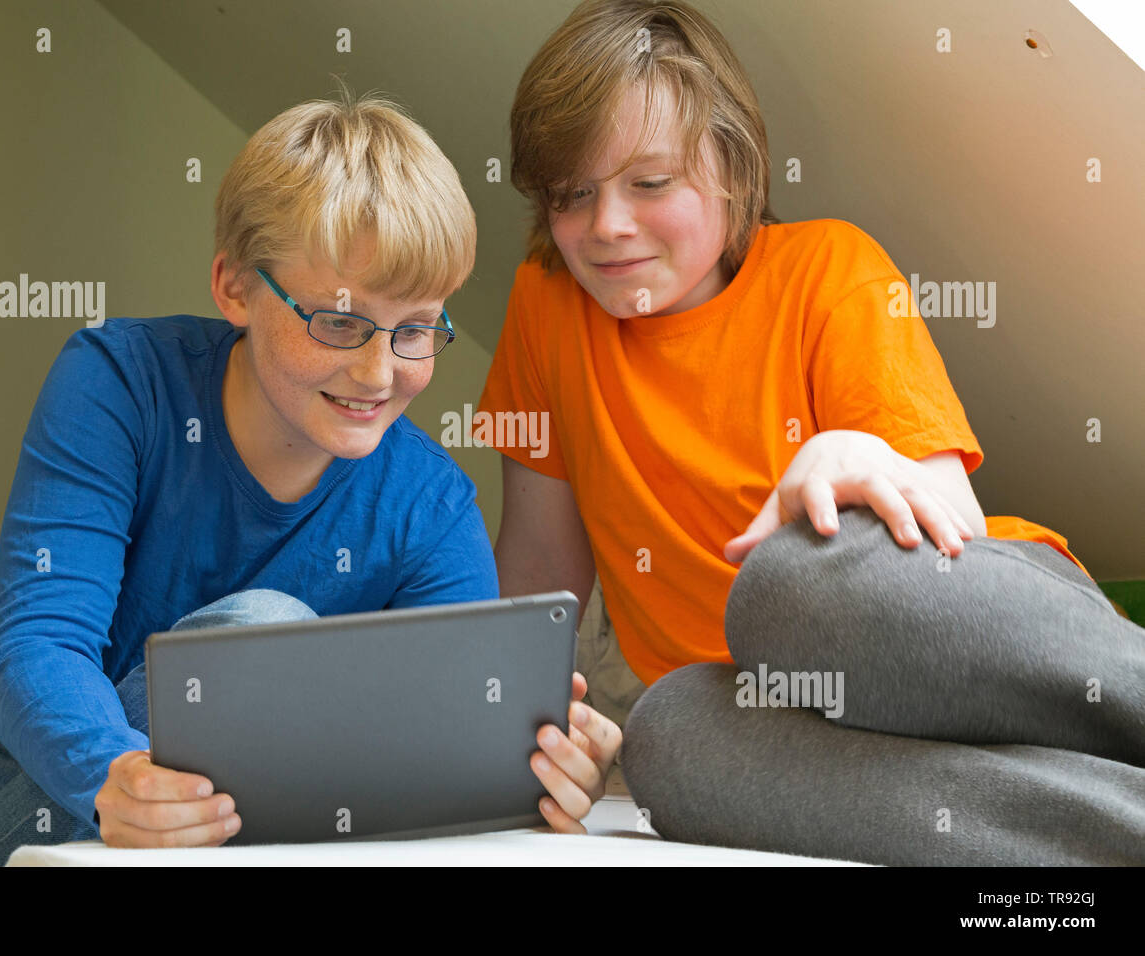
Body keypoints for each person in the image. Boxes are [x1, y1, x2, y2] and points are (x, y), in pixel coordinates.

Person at [0, 93, 617, 866]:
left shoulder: (432, 506)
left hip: (195, 784)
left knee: (258, 642)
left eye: (415, 329)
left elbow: (444, 755)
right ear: (235, 287)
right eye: (340, 322)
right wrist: (112, 777)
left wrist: (542, 769)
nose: (379, 372)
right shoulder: (118, 383)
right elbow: (40, 642)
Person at [479, 0, 1145, 864]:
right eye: (573, 194)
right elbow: (537, 576)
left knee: (785, 584)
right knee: (667, 739)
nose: (605, 226)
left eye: (649, 183)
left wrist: (852, 458)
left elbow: (956, 526)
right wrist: (510, 733)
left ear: (733, 164)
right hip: (780, 708)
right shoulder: (546, 304)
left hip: (963, 634)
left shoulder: (831, 270)